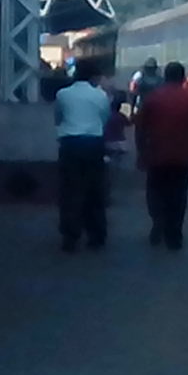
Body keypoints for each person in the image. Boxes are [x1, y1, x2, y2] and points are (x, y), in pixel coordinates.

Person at [134, 60, 188, 252]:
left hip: (156, 154)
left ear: (165, 76)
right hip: (184, 156)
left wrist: (140, 152)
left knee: (155, 192)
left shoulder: (152, 98)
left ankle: (158, 222)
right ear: (182, 77)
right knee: (179, 195)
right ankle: (174, 234)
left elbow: (140, 127)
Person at [52, 56, 116, 252]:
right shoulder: (100, 95)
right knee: (95, 191)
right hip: (93, 144)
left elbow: (58, 118)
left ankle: (70, 235)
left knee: (70, 191)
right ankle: (96, 235)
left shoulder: (62, 94)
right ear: (93, 76)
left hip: (70, 145)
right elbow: (105, 118)